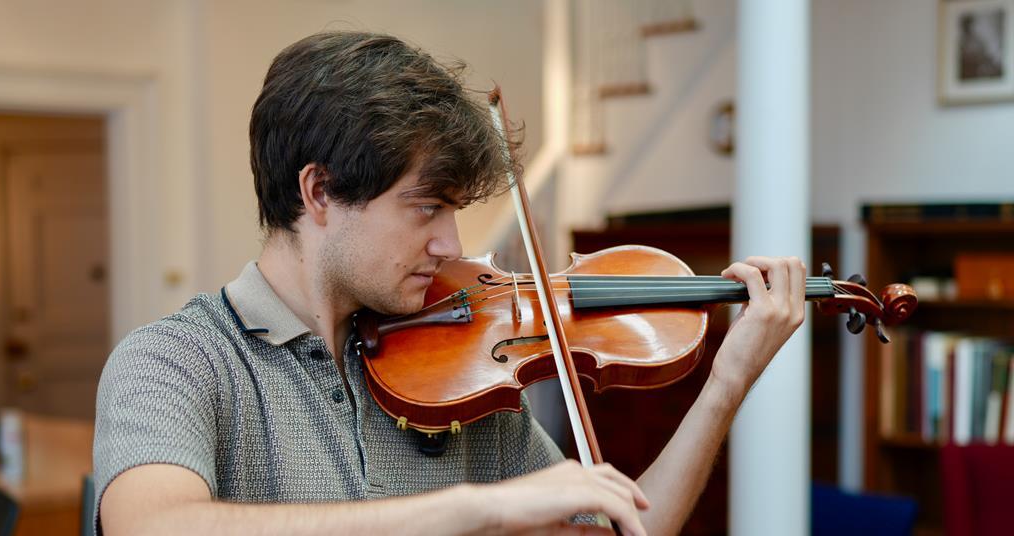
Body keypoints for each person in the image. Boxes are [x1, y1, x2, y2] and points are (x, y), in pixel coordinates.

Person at [94, 31, 807, 536]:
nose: (451, 246)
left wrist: (727, 382)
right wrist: (474, 509)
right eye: (426, 207)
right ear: (318, 192)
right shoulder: (178, 360)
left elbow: (624, 530)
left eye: (455, 211)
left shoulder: (460, 368)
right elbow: (153, 524)